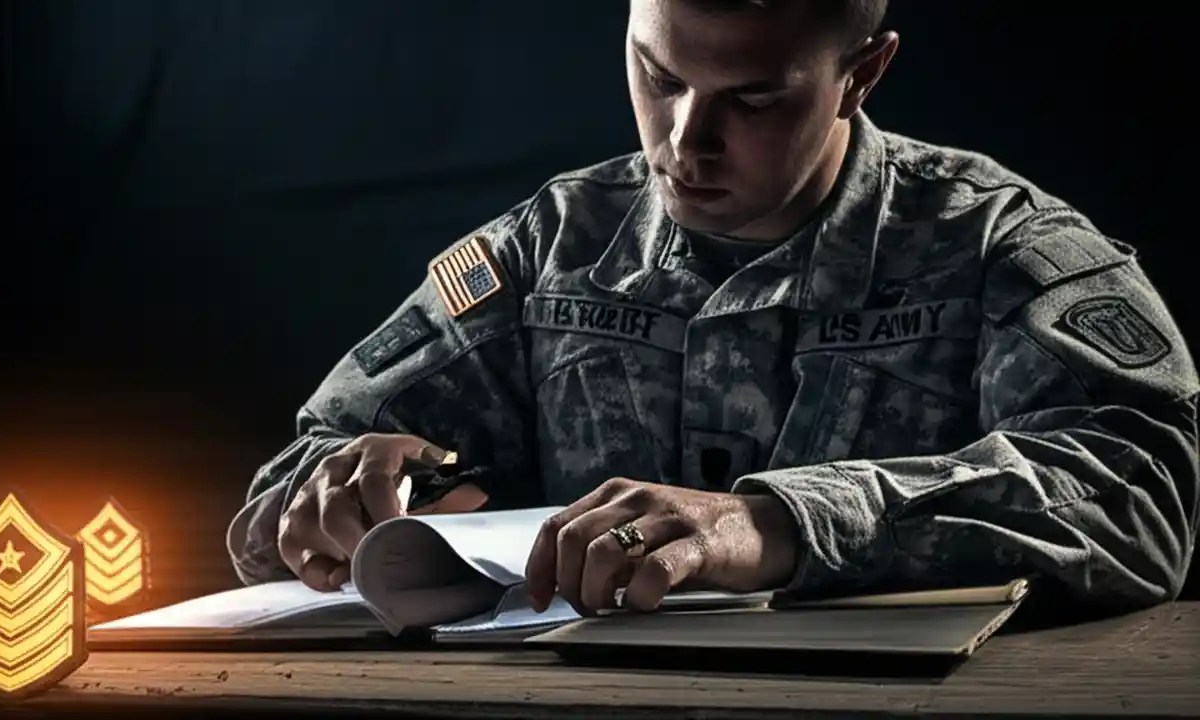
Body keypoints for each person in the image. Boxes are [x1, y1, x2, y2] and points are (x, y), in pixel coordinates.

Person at [227, 0, 1199, 617]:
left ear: (861, 73)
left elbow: (1139, 496)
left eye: (755, 99)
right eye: (658, 76)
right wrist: (348, 492)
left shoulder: (1000, 248)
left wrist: (775, 527)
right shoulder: (547, 249)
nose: (686, 141)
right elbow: (288, 489)